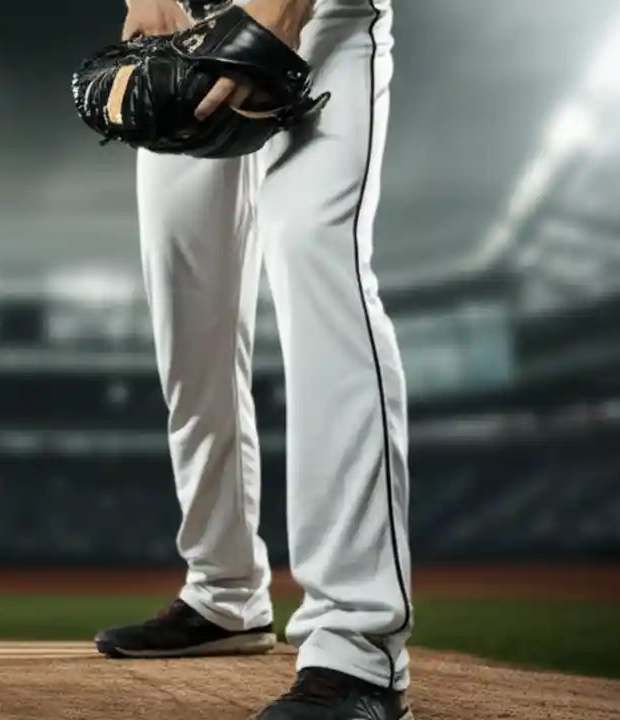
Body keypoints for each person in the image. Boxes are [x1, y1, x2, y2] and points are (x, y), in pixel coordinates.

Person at [92, 0, 413, 718]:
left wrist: (281, 7)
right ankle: (225, 592)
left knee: (316, 265)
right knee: (188, 322)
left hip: (321, 12)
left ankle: (358, 646)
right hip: (193, 28)